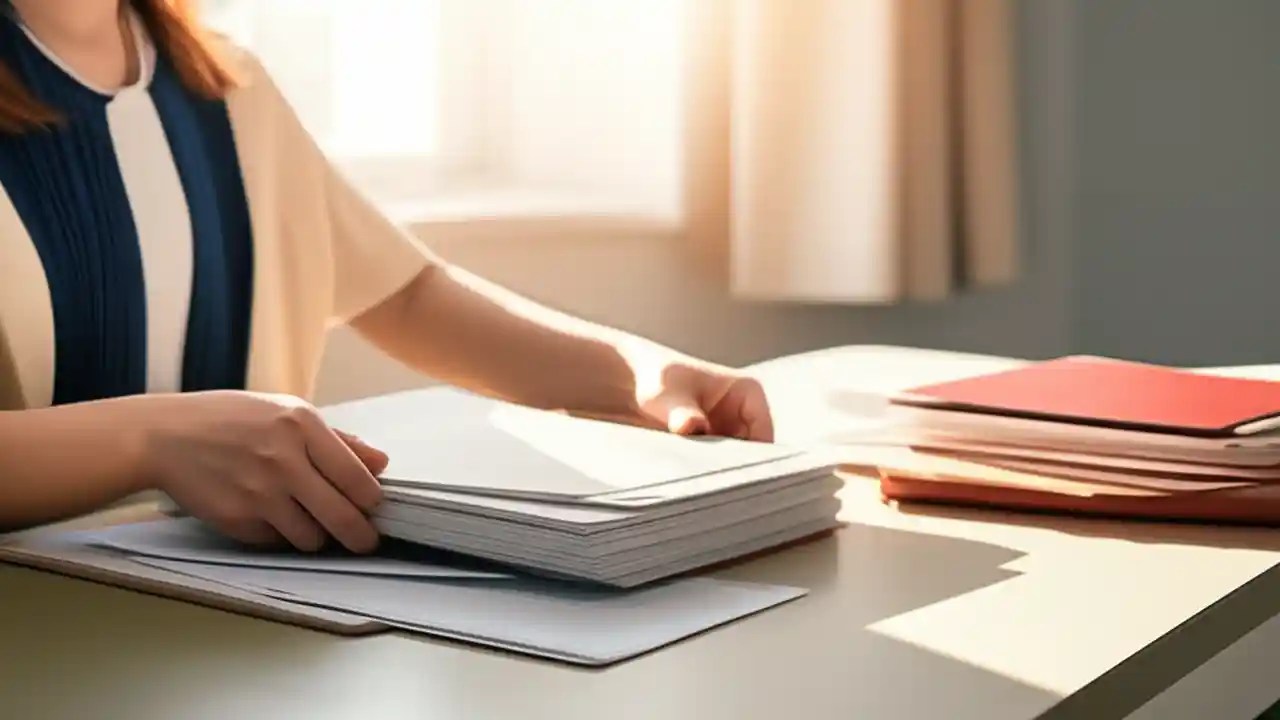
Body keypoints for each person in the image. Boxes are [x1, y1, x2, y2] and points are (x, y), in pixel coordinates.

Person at [0, 0, 773, 552]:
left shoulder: (228, 85)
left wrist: (631, 376)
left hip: (243, 612)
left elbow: (402, 292)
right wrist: (152, 439)